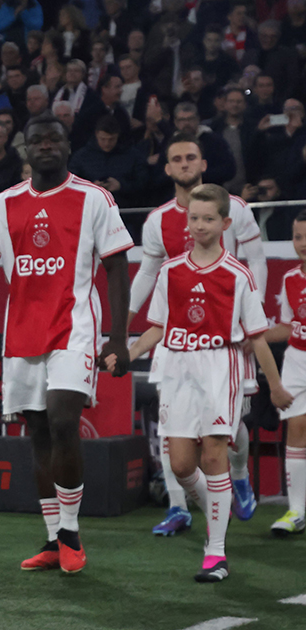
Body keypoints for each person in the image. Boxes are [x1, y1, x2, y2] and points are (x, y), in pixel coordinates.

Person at [0, 113, 133, 574]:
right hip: (22, 332)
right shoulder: (2, 204)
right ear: (25, 149)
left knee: (65, 422)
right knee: (39, 432)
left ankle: (70, 532)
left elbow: (118, 268)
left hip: (74, 330)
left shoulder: (94, 199)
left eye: (55, 140)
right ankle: (52, 539)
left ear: (68, 147)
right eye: (37, 140)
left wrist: (119, 339)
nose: (46, 146)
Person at [124, 184, 291, 583]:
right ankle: (218, 506)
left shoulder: (239, 274)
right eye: (194, 218)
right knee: (182, 465)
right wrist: (123, 355)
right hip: (178, 368)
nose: (199, 225)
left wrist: (275, 384)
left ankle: (215, 552)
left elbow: (256, 336)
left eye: (208, 218)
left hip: (222, 366)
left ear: (225, 223)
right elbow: (157, 329)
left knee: (214, 455)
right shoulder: (170, 270)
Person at [128, 132, 267, 536]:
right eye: (177, 159)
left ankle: (237, 475)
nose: (186, 163)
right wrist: (125, 327)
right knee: (177, 427)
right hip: (178, 339)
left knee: (231, 418)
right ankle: (178, 507)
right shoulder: (157, 221)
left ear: (204, 163)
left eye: (192, 157)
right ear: (168, 167)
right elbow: (148, 274)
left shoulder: (235, 209)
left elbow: (255, 259)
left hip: (224, 334)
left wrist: (247, 316)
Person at [265, 212, 306, 537]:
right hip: (296, 360)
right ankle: (296, 510)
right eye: (297, 237)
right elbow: (287, 325)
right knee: (297, 427)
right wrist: (253, 337)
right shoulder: (291, 278)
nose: (302, 244)